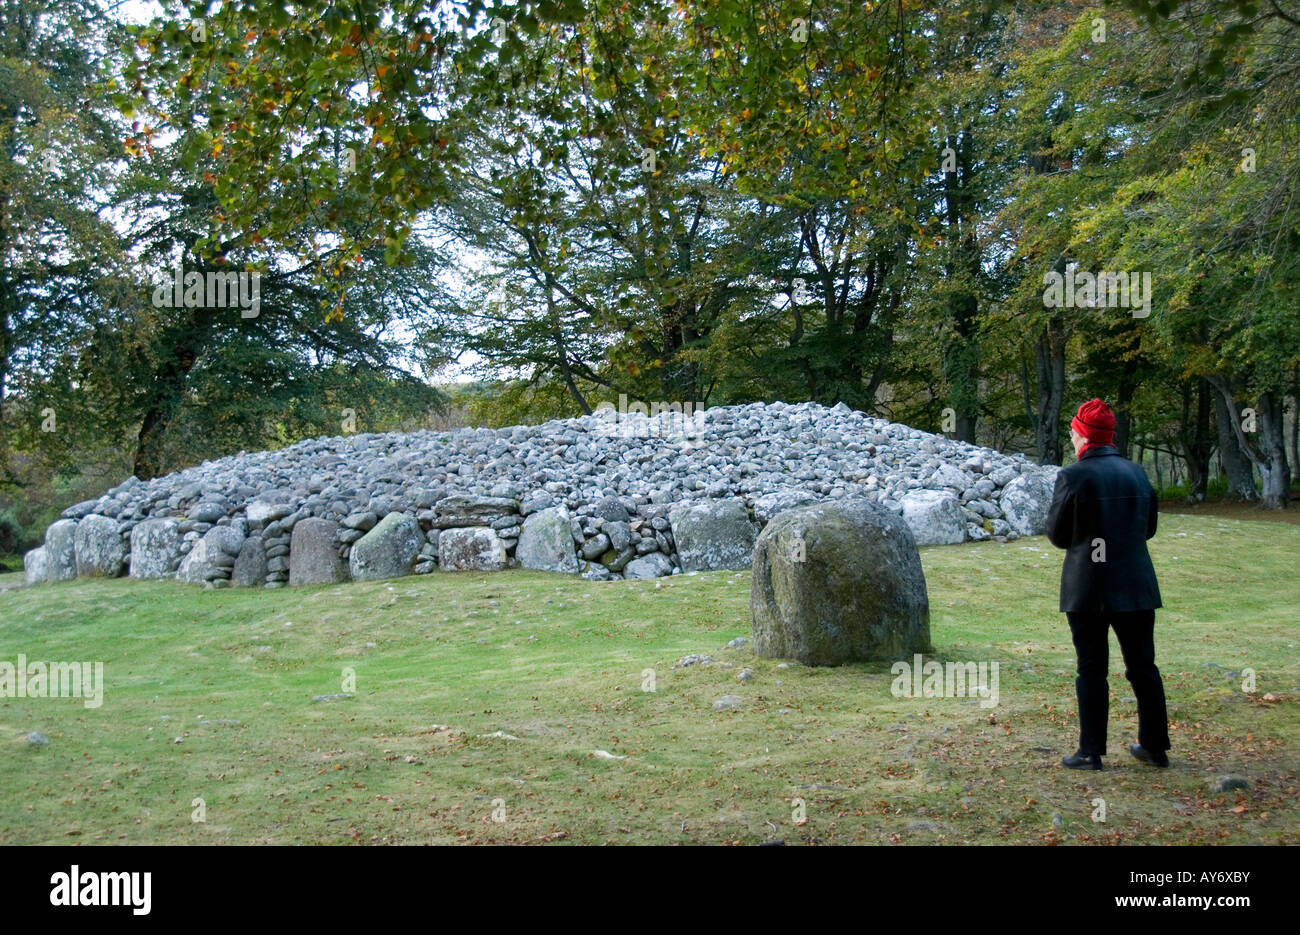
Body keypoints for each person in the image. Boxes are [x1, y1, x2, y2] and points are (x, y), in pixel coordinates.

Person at [1046, 399, 1170, 770]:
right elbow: (1148, 528)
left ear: (1084, 436)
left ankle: (1090, 752)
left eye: (1073, 432)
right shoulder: (1137, 473)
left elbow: (1057, 534)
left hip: (1088, 588)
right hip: (1135, 584)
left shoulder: (1073, 477)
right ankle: (1154, 747)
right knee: (1143, 666)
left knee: (1091, 668)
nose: (1071, 438)